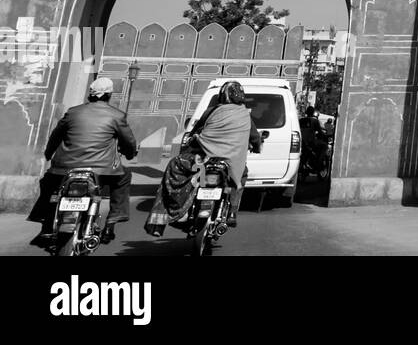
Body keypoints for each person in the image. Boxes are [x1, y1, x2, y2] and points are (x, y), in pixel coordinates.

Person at [28, 76, 137, 247]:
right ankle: (111, 224)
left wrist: (48, 154)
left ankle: (45, 220)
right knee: (124, 177)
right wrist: (130, 154)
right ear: (109, 95)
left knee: (48, 183)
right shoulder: (117, 116)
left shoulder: (73, 112)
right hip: (100, 171)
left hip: (64, 168)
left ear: (90, 94)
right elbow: (129, 142)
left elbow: (56, 136)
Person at [153, 81, 262, 228]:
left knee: (185, 169)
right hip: (230, 161)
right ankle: (232, 213)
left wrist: (193, 139)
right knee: (241, 175)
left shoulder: (211, 111)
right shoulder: (245, 115)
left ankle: (177, 208)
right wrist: (256, 147)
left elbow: (196, 130)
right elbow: (255, 138)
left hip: (205, 156)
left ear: (222, 96)